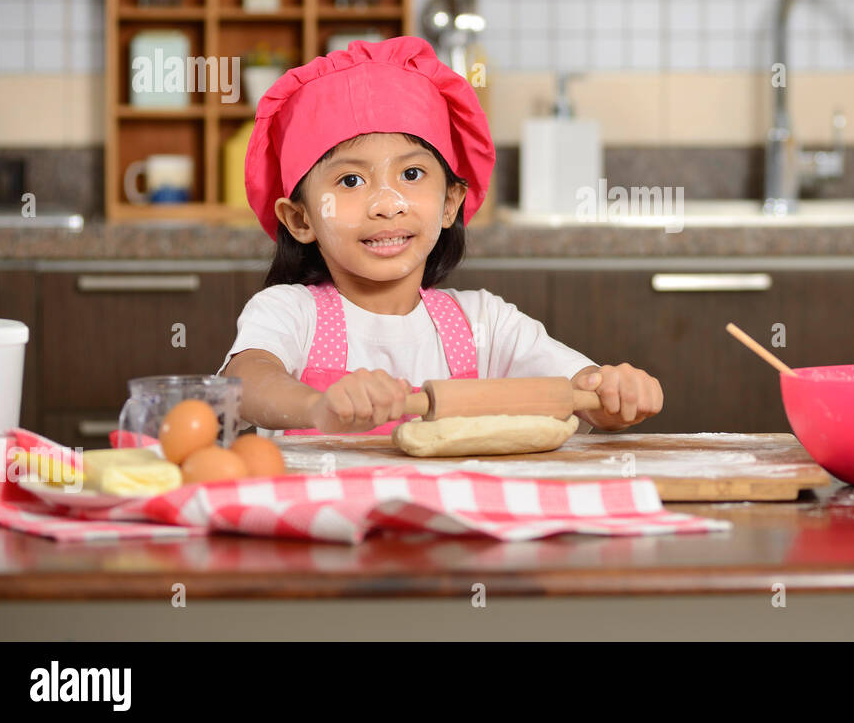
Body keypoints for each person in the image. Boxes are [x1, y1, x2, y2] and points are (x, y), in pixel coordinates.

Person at [218, 35, 662, 436]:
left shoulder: (484, 324)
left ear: (450, 202)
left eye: (412, 174)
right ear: (300, 219)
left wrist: (613, 393)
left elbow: (580, 392)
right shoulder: (290, 313)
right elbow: (246, 382)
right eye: (351, 181)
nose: (387, 204)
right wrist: (318, 407)